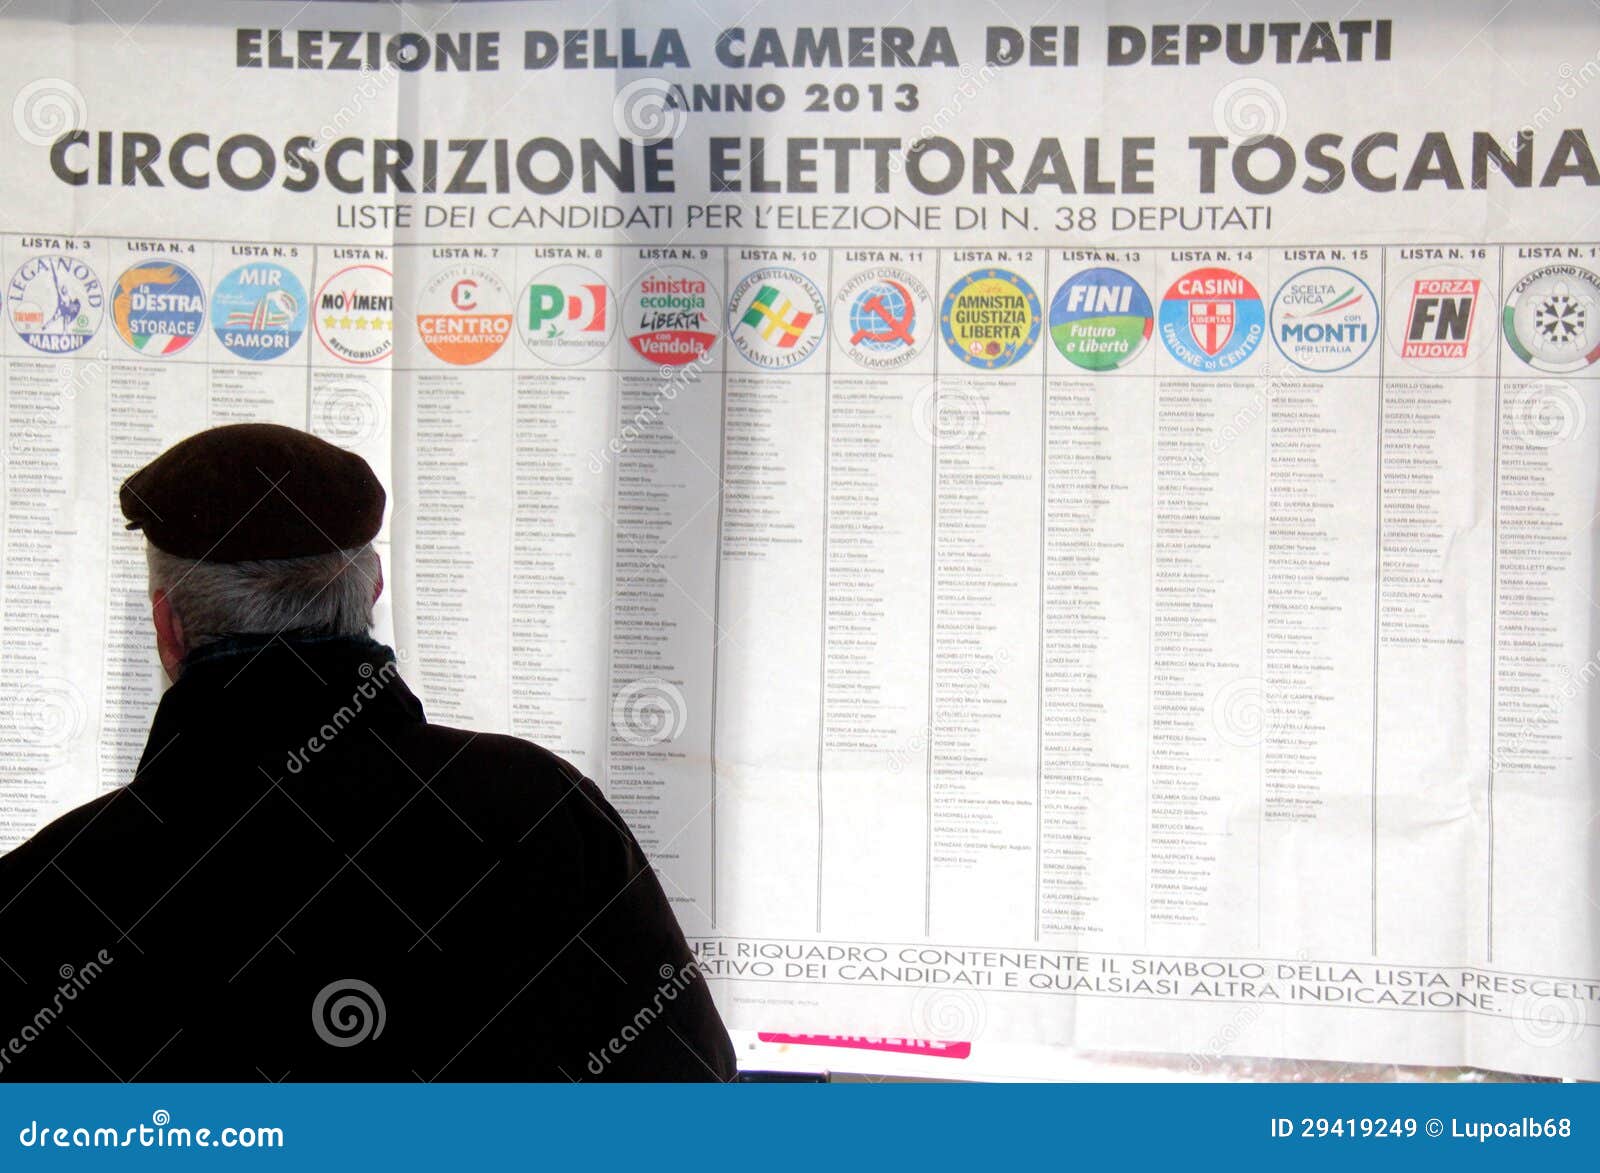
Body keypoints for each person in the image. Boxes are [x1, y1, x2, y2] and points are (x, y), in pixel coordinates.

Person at [0, 423, 735, 1081]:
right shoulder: (543, 812)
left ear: (169, 628)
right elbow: (686, 1091)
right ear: (373, 592)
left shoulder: (50, 889)